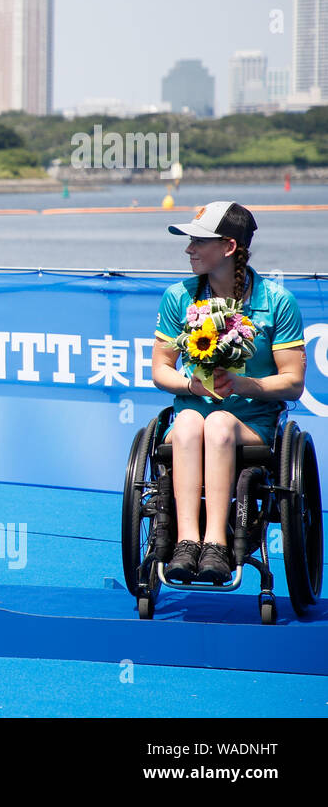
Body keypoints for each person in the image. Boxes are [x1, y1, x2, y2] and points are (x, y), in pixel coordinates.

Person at [152, 201, 305, 583]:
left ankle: (217, 544)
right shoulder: (178, 296)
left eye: (198, 241)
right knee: (188, 423)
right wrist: (191, 384)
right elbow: (160, 371)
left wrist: (242, 385)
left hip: (250, 420)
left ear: (229, 247)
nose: (189, 249)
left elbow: (293, 382)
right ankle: (187, 542)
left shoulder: (277, 301)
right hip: (191, 411)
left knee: (219, 424)